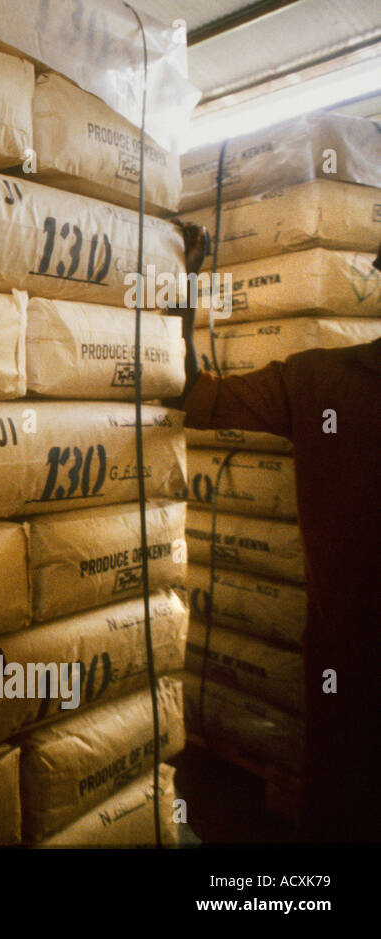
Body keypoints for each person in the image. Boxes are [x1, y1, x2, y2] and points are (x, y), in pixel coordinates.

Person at [170, 230, 381, 843]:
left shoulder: (324, 382)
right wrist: (179, 279)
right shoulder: (320, 382)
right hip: (346, 675)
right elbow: (193, 394)